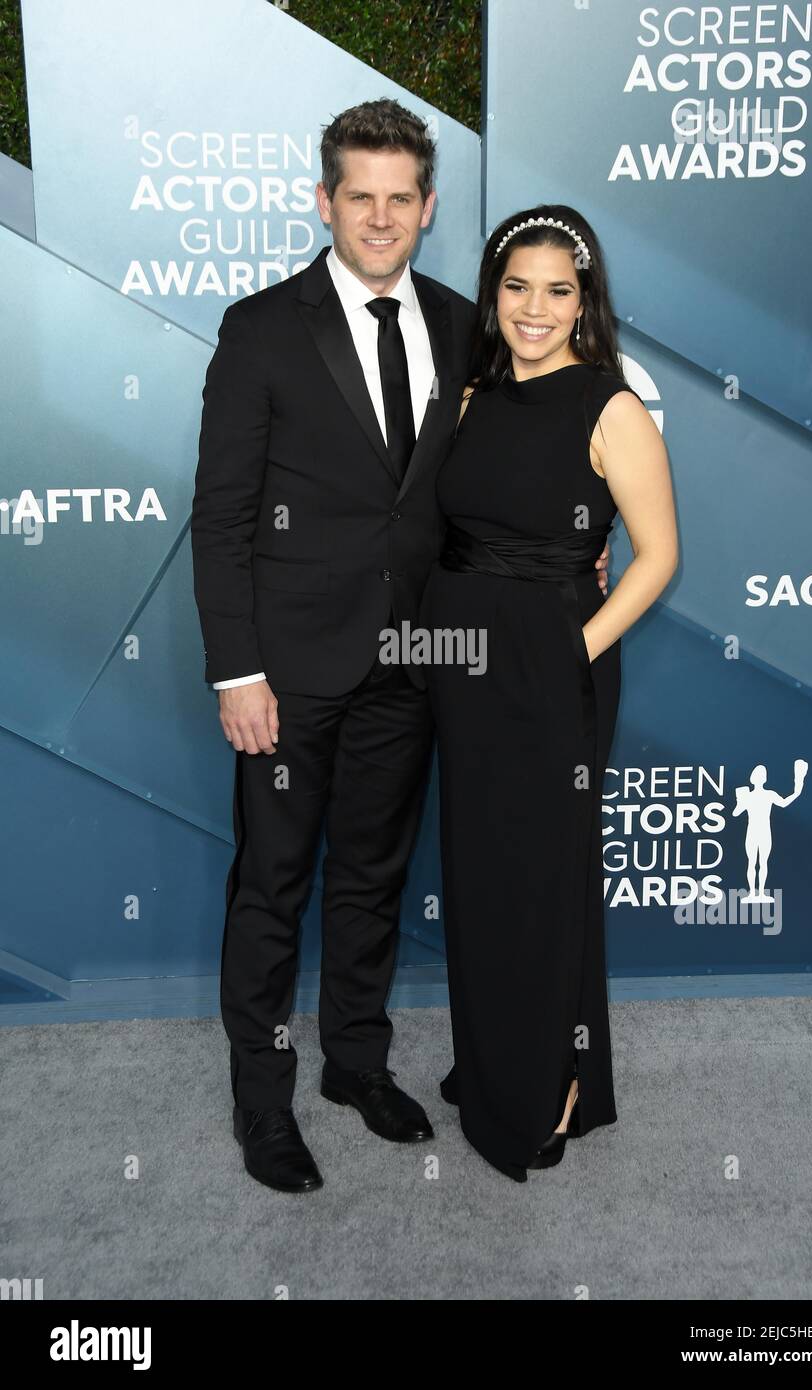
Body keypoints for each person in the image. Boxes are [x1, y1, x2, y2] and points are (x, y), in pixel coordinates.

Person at [191, 104, 610, 1194]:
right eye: (357, 195)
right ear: (323, 201)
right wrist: (236, 668)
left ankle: (357, 1065)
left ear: (426, 208)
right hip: (284, 672)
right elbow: (223, 514)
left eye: (400, 198)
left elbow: (526, 458)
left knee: (372, 875)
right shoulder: (261, 328)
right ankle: (263, 1102)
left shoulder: (465, 323)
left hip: (419, 660)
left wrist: (583, 555)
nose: (379, 218)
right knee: (272, 884)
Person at [421, 205, 678, 1182]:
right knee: (480, 872)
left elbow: (656, 557)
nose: (534, 308)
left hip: (552, 660)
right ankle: (491, 1064)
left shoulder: (607, 406)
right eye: (515, 286)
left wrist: (573, 647)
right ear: (493, 295)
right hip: (460, 657)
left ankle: (551, 1085)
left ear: (584, 303)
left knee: (541, 876)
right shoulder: (471, 396)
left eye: (556, 290)